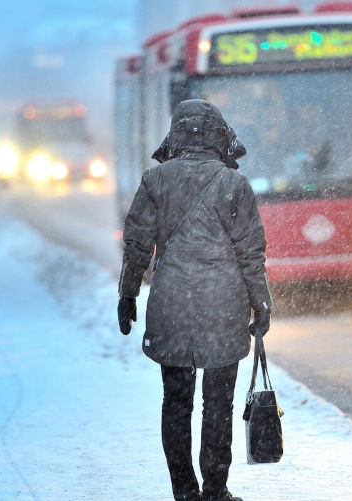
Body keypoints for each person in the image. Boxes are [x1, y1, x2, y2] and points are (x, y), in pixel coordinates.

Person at [117, 99, 272, 501]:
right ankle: (216, 490)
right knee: (217, 403)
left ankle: (184, 492)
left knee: (176, 401)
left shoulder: (155, 182)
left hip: (172, 305)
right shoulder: (234, 185)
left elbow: (136, 245)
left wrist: (127, 294)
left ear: (176, 135)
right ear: (220, 137)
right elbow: (250, 253)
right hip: (223, 306)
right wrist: (262, 302)